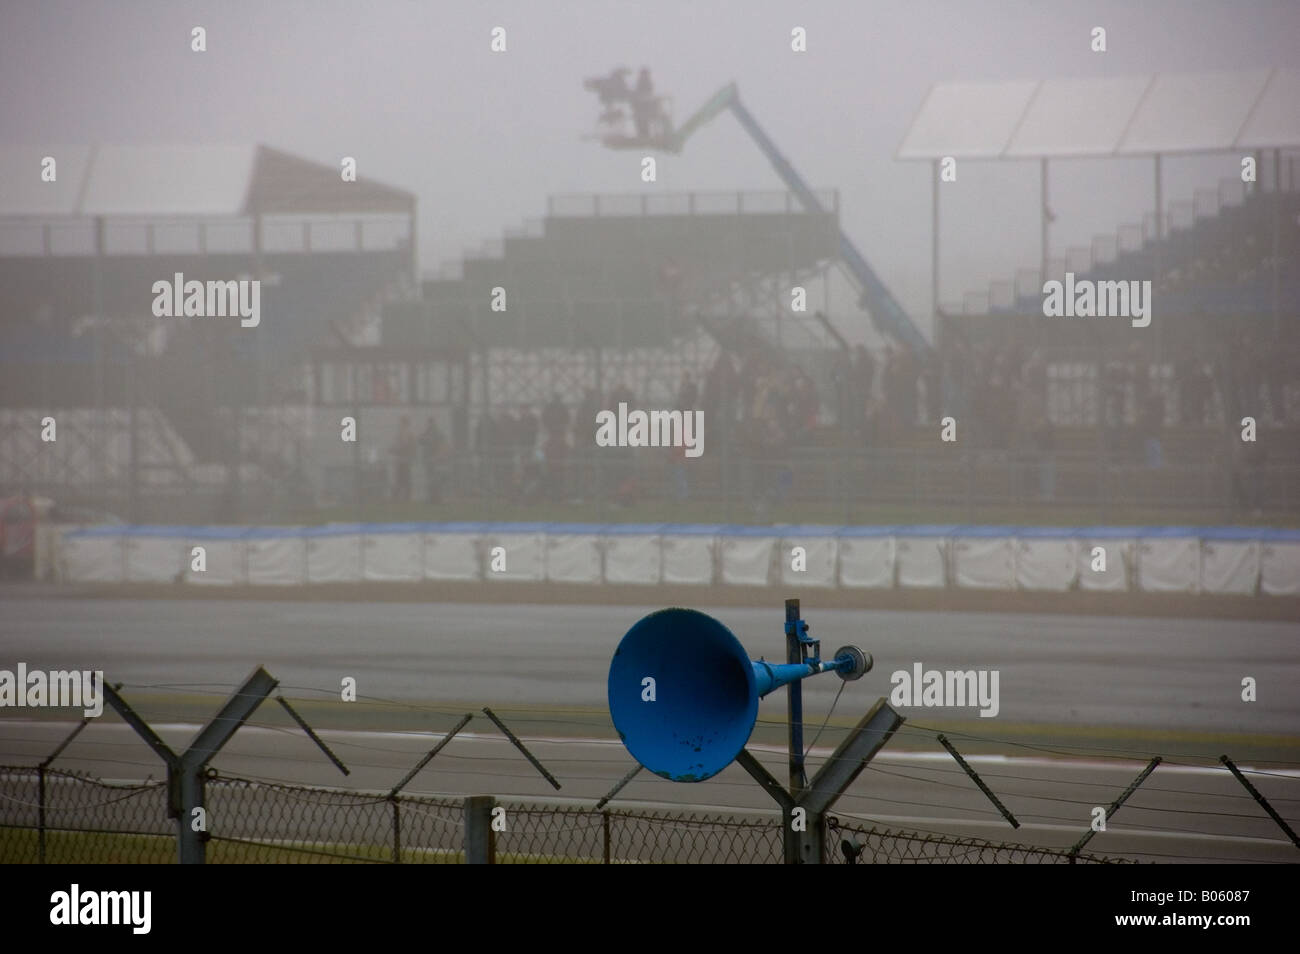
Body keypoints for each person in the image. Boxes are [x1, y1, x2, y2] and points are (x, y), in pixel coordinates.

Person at [390, 416, 415, 502]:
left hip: (404, 460)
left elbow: (404, 447)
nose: (400, 424)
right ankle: (402, 497)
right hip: (402, 460)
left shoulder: (406, 433)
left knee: (402, 479)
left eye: (401, 423)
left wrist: (394, 450)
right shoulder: (404, 433)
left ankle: (402, 497)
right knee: (402, 479)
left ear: (404, 423)